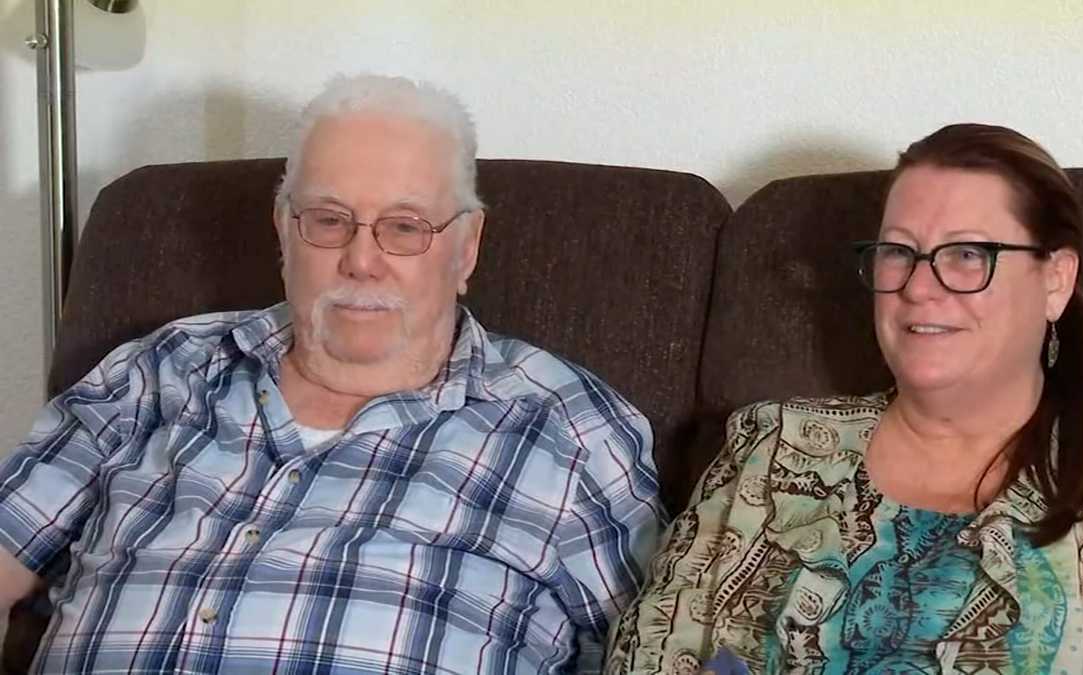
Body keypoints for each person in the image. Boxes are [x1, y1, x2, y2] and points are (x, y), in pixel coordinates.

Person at [0, 74, 664, 674]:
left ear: (467, 248)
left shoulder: (565, 428)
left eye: (404, 227)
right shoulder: (161, 369)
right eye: (329, 221)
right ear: (284, 231)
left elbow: (663, 649)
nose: (362, 261)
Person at [605, 123, 1083, 673]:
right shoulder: (769, 444)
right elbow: (651, 655)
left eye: (968, 254)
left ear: (1055, 281)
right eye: (898, 252)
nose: (917, 287)